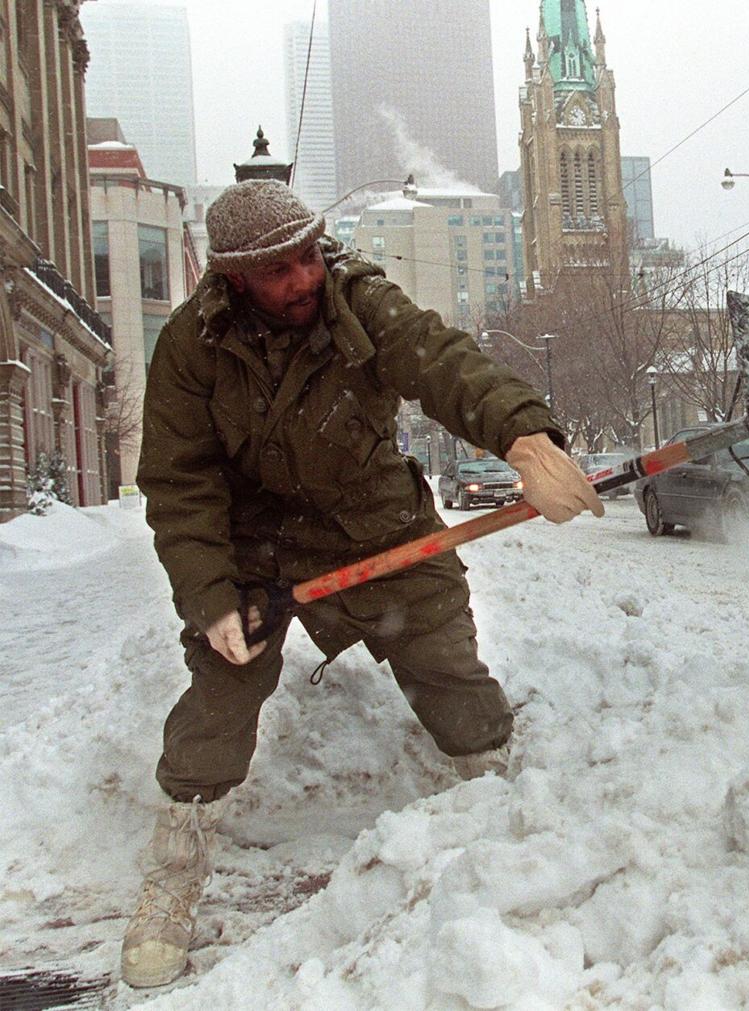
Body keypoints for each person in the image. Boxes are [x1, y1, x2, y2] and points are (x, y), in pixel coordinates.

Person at [121, 180, 603, 988]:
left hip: (374, 519)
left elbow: (442, 362)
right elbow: (179, 480)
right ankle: (178, 859)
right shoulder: (191, 346)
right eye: (279, 270)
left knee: (445, 660)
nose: (304, 278)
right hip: (256, 547)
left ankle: (500, 803)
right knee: (220, 691)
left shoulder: (358, 303)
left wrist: (523, 433)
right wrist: (208, 596)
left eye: (309, 256)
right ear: (236, 276)